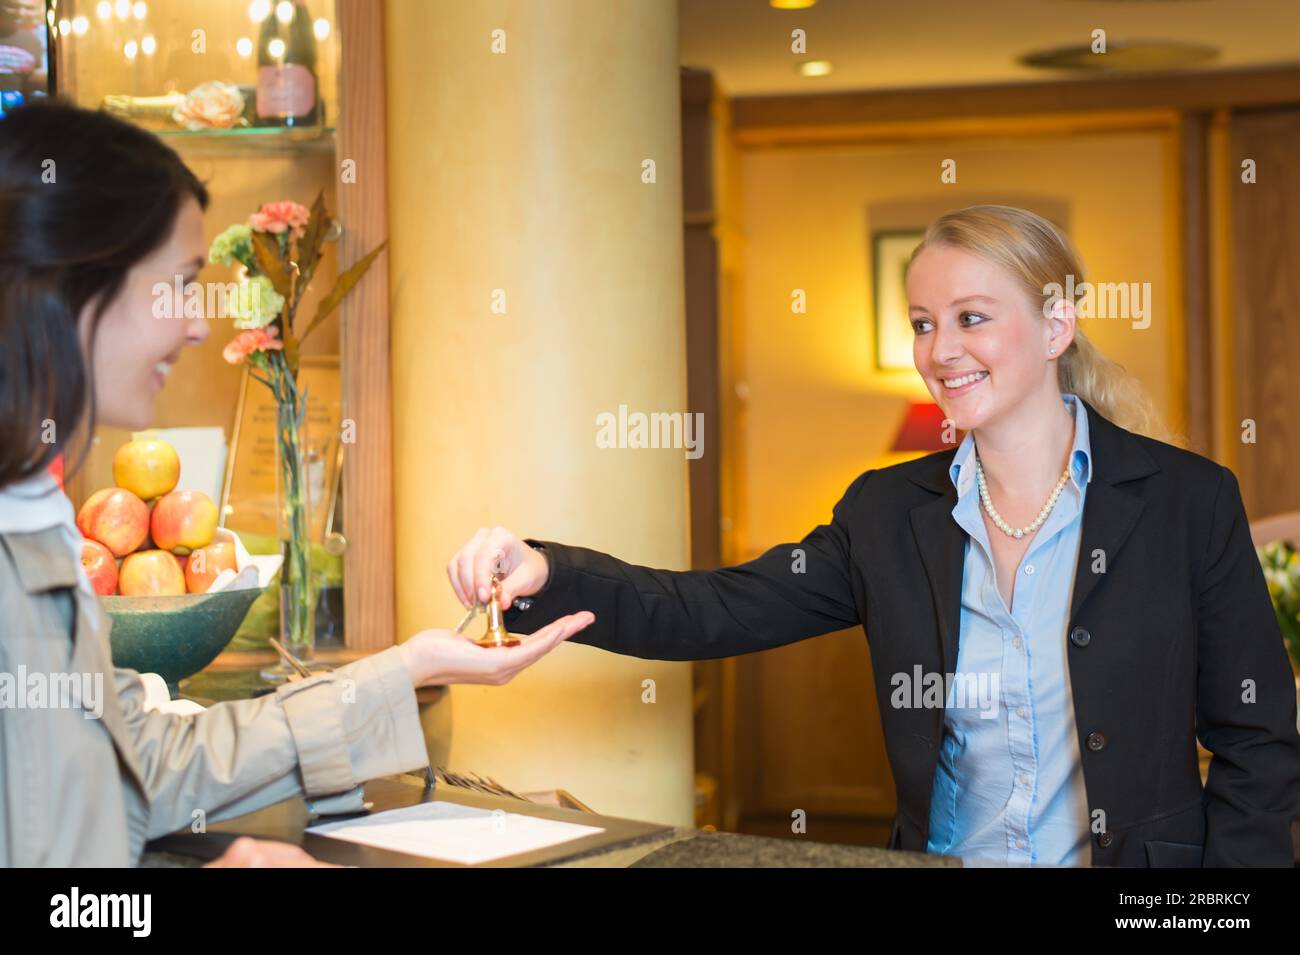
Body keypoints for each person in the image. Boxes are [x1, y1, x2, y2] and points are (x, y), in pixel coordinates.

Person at [449, 204, 1300, 867]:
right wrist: (546, 570)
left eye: (972, 317)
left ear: (1055, 327)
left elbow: (1257, 738)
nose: (939, 351)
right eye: (924, 322)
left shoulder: (1188, 502)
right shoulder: (887, 514)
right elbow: (709, 606)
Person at [0, 101, 594, 867]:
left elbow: (141, 764)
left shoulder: (32, 514)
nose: (196, 325)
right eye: (179, 285)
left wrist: (409, 667)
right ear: (74, 279)